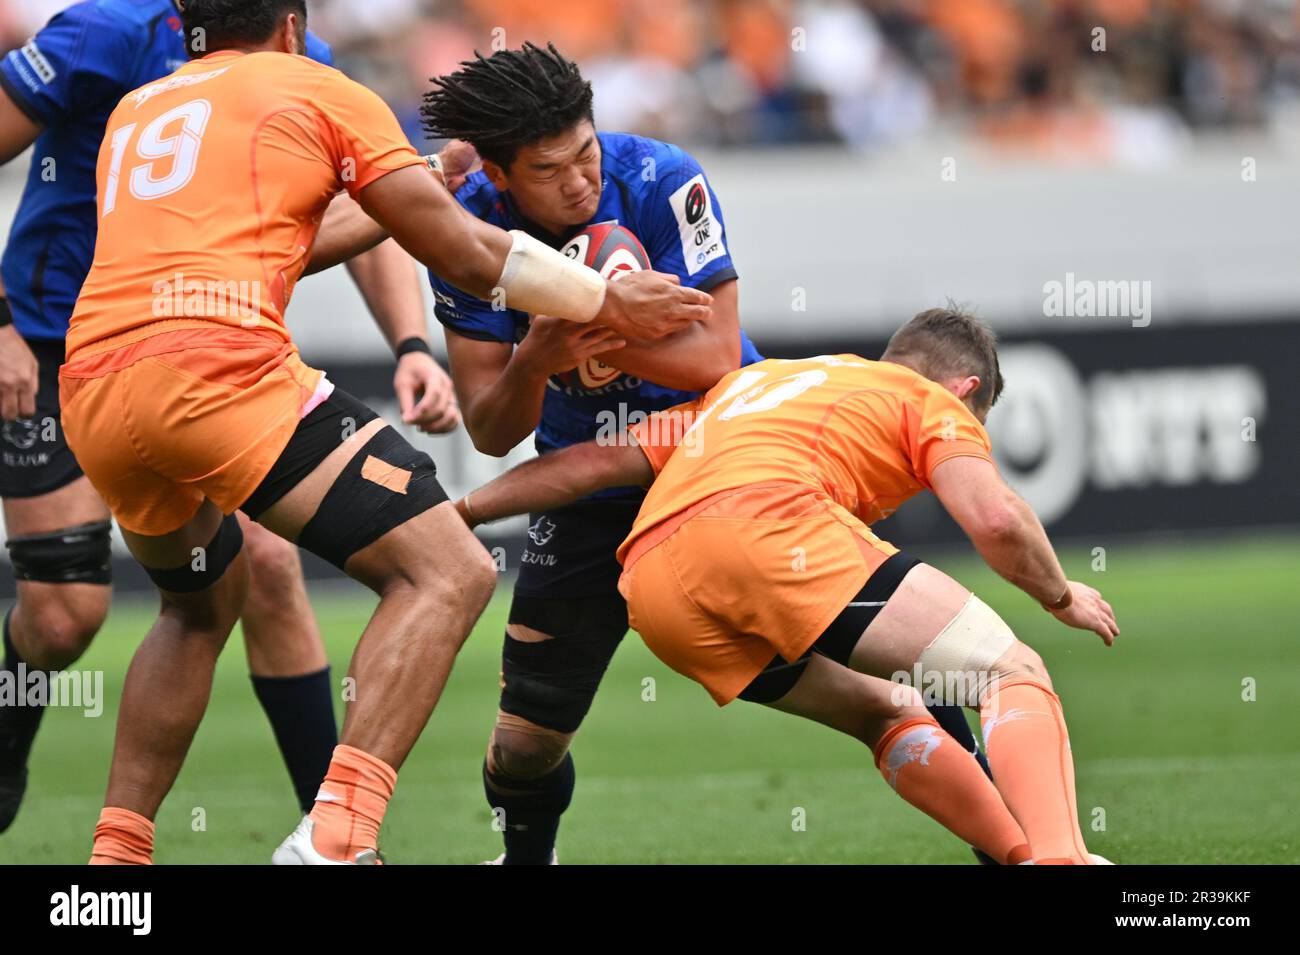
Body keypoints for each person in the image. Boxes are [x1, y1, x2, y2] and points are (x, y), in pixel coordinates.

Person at [60, 0, 709, 865]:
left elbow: (288, 241)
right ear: (292, 27)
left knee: (197, 606)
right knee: (449, 569)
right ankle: (338, 837)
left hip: (97, 387)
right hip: (216, 371)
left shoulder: (139, 111)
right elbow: (464, 252)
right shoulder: (320, 87)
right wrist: (603, 296)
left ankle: (113, 867)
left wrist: (416, 187)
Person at [0, 0, 458, 834]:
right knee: (64, 622)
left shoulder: (277, 64)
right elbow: (417, 220)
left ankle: (310, 833)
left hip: (158, 363)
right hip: (43, 341)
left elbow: (368, 206)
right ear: (286, 21)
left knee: (261, 576)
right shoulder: (108, 32)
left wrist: (409, 341)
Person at [457, 308, 1120, 864]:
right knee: (1013, 671)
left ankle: (1020, 854)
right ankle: (1064, 857)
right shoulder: (926, 400)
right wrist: (1061, 595)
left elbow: (593, 464)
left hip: (657, 585)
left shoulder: (754, 383)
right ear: (963, 387)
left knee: (885, 709)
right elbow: (998, 518)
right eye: (980, 419)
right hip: (769, 527)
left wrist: (461, 512)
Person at [421, 43, 763, 864]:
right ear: (500, 175)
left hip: (719, 455)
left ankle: (1018, 838)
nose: (580, 179)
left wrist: (596, 329)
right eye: (550, 169)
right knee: (523, 745)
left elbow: (717, 358)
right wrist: (543, 351)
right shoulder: (466, 229)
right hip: (583, 486)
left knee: (866, 666)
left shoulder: (661, 177)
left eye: (586, 151)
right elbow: (491, 428)